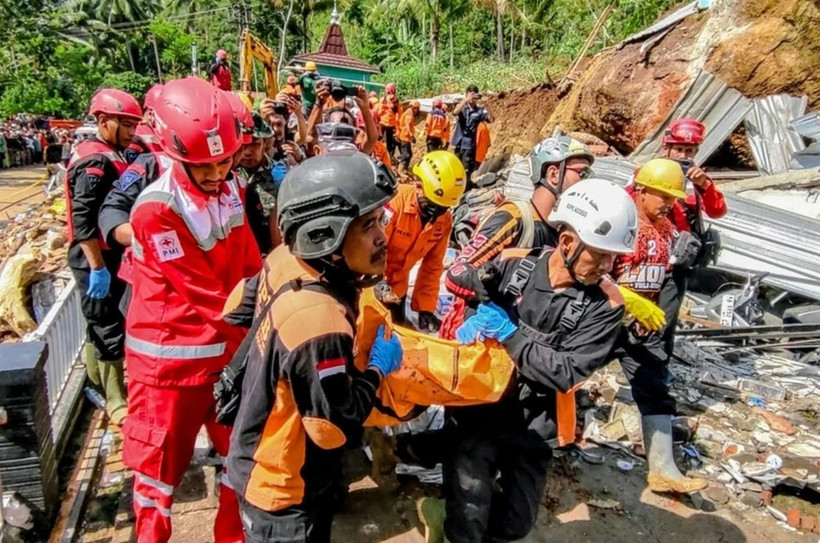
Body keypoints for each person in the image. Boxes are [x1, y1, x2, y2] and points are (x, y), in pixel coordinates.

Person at [416, 179, 637, 543]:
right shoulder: (514, 265)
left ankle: (434, 465)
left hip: (535, 423)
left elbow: (565, 372)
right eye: (599, 254)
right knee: (468, 514)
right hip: (480, 410)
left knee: (515, 524)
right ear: (567, 242)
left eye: (612, 256)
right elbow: (469, 284)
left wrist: (509, 334)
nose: (607, 265)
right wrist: (473, 313)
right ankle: (451, 516)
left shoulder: (606, 306)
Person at [227, 150, 403, 543]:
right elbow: (332, 428)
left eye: (381, 220)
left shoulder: (284, 258)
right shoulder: (320, 322)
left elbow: (236, 308)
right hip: (284, 494)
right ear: (326, 235)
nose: (382, 237)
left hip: (255, 445)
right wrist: (376, 369)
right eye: (368, 226)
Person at [122, 76, 261, 543]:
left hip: (221, 358)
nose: (215, 172)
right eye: (201, 165)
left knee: (240, 463)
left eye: (224, 160)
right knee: (157, 480)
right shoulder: (155, 211)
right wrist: (266, 336)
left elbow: (249, 265)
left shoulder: (230, 190)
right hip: (168, 369)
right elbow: (206, 297)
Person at [613, 158, 708, 494]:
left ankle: (663, 469)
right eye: (662, 197)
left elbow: (661, 278)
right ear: (641, 191)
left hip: (639, 325)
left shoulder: (667, 229)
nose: (668, 204)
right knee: (568, 375)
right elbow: (595, 275)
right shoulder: (621, 223)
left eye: (672, 198)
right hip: (604, 318)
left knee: (654, 384)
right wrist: (626, 300)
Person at [441, 136, 596, 339]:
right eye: (582, 173)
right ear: (553, 174)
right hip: (475, 344)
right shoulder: (513, 218)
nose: (587, 182)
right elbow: (456, 272)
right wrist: (482, 284)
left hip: (521, 347)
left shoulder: (564, 235)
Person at [65, 88, 142, 426]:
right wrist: (97, 266)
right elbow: (83, 219)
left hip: (110, 253)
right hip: (96, 255)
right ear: (102, 120)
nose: (131, 131)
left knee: (98, 317)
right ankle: (115, 397)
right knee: (107, 321)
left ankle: (95, 376)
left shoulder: (115, 152)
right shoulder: (95, 161)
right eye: (124, 124)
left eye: (133, 124)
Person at [375, 151, 466, 332]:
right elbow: (372, 248)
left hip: (397, 292)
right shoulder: (394, 203)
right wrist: (376, 280)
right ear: (418, 185)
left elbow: (432, 265)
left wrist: (425, 308)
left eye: (443, 207)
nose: (437, 212)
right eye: (433, 204)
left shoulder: (443, 220)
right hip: (370, 286)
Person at [240, 112, 284, 254]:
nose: (247, 152)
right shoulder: (225, 175)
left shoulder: (278, 175)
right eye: (243, 144)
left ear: (265, 143)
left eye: (254, 144)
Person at [451, 85, 494, 182]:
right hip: (459, 143)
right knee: (456, 168)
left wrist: (487, 105)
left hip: (470, 145)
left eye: (474, 96)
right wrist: (465, 100)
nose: (472, 98)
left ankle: (465, 190)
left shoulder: (479, 111)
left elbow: (491, 120)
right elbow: (455, 112)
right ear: (466, 95)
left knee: (466, 169)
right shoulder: (463, 107)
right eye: (470, 95)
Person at [375, 82, 402, 159]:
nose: (390, 91)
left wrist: (398, 129)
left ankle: (389, 157)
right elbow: (377, 112)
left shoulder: (398, 103)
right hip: (382, 123)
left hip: (392, 125)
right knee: (377, 139)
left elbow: (399, 116)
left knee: (391, 143)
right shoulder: (382, 100)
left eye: (391, 89)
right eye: (388, 89)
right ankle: (375, 154)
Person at [396, 100, 420, 172]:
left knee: (409, 154)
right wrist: (411, 135)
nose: (416, 110)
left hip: (406, 136)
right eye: (415, 108)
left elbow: (410, 125)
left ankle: (404, 169)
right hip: (405, 136)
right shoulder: (409, 113)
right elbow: (407, 125)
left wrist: (416, 131)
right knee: (406, 154)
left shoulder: (409, 112)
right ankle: (400, 170)